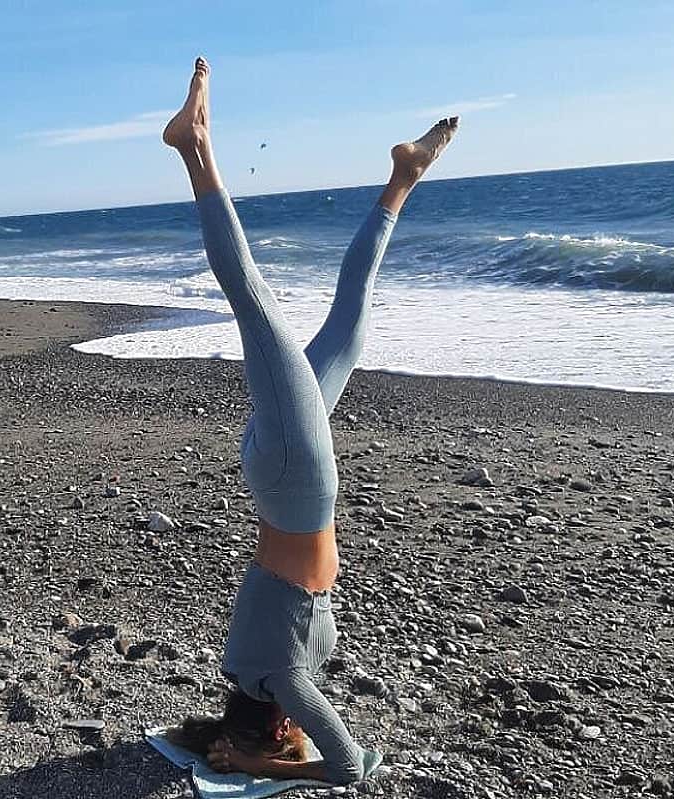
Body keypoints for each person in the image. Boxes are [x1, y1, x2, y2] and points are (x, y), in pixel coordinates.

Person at [161, 56, 457, 784]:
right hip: (285, 478)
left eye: (291, 737)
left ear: (276, 728)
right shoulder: (262, 675)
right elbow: (337, 748)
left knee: (253, 300)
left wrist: (260, 764)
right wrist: (251, 751)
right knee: (350, 328)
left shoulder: (278, 677)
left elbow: (349, 766)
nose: (304, 730)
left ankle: (195, 147)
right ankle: (404, 176)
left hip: (297, 478)